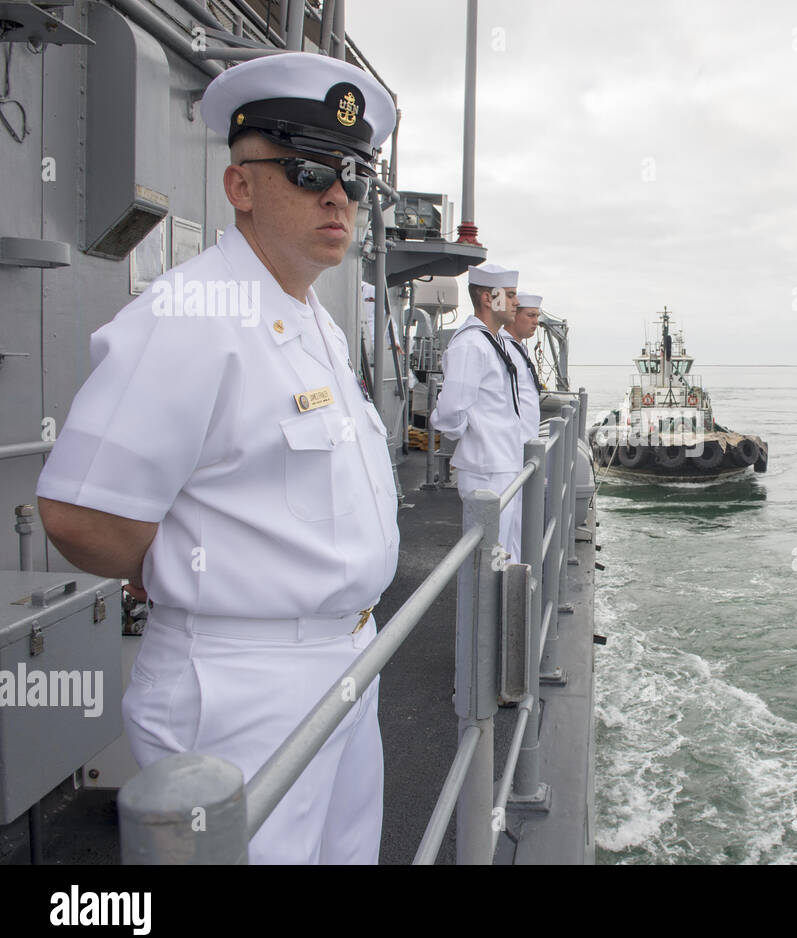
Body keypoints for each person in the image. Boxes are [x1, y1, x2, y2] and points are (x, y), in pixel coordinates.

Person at [34, 51, 399, 865]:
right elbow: (81, 512)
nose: (337, 194)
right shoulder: (190, 317)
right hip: (242, 685)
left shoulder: (314, 323)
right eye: (308, 169)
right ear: (241, 186)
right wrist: (178, 569)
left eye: (352, 176)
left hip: (346, 663)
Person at [431, 264, 524, 562]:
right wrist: (474, 437)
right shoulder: (471, 344)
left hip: (502, 466)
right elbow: (450, 413)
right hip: (487, 471)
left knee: (504, 558)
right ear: (487, 298)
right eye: (509, 295)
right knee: (489, 565)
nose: (516, 302)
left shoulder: (490, 340)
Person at [501, 292, 543, 449]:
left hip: (525, 440)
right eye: (531, 315)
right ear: (513, 315)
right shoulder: (503, 348)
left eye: (537, 316)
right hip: (511, 443)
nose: (536, 322)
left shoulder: (519, 348)